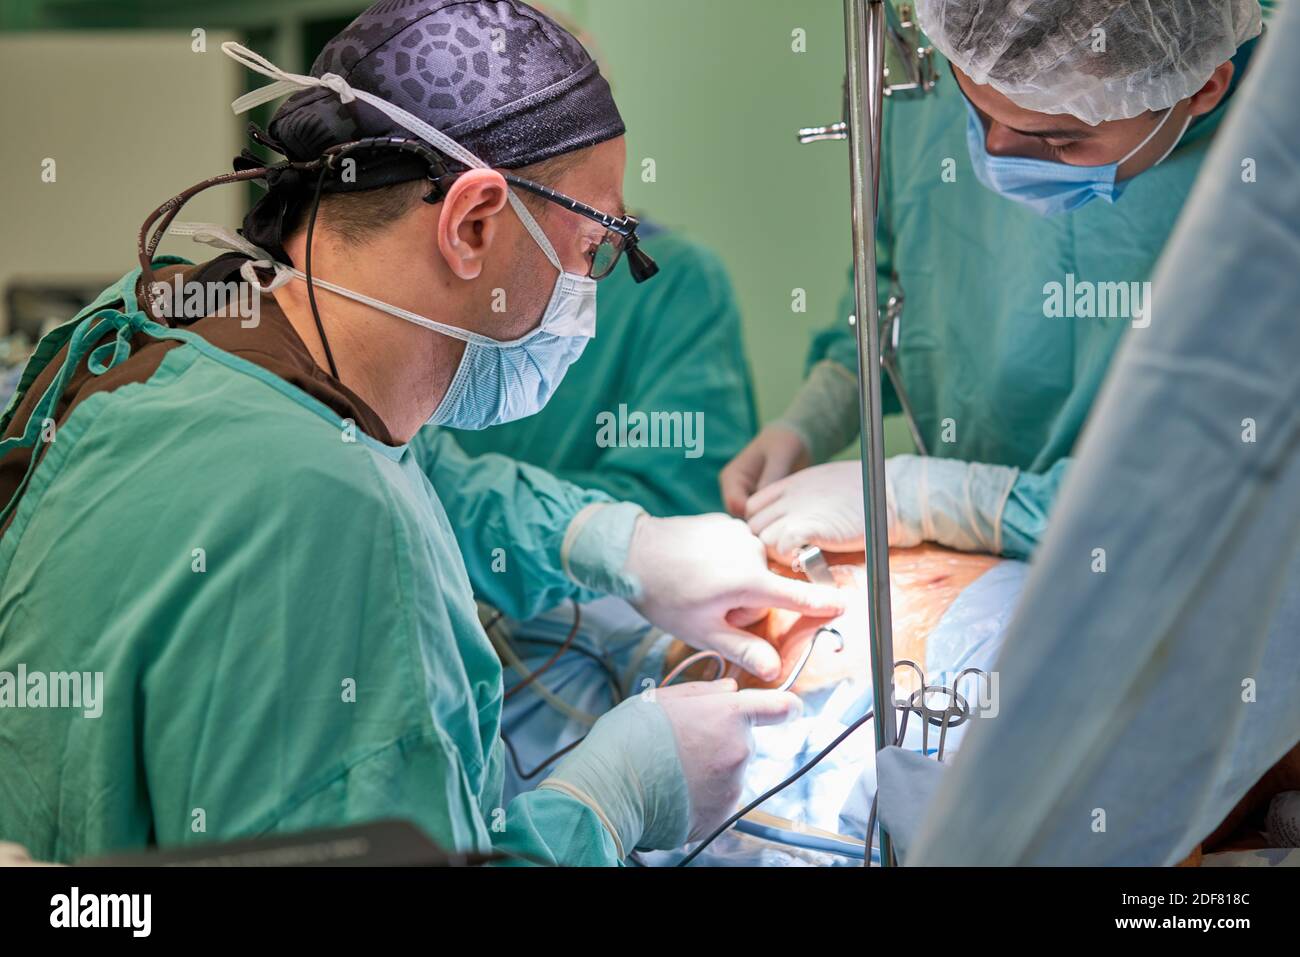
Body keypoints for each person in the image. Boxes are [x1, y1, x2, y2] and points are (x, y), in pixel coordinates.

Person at [0, 1, 842, 865]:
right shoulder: (332, 517)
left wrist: (616, 542)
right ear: (473, 223)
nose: (589, 285)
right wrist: (605, 802)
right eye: (594, 246)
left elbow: (413, 463)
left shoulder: (171, 320)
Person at [723, 0, 1268, 564]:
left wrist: (926, 499)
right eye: (974, 109)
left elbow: (1215, 498)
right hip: (963, 562)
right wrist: (822, 408)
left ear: (1203, 88)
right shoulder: (959, 38)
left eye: (1058, 142)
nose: (993, 147)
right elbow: (901, 272)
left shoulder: (1274, 174)